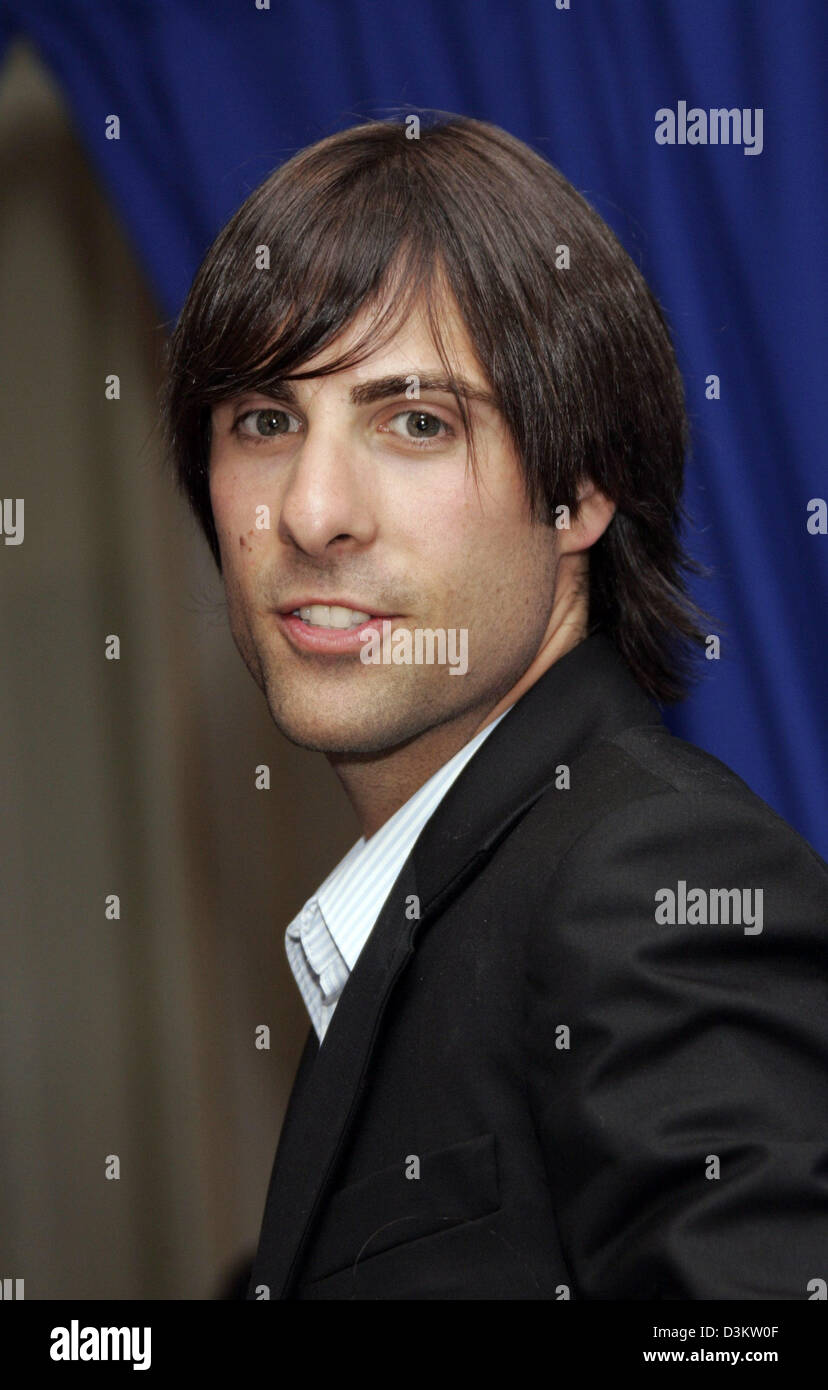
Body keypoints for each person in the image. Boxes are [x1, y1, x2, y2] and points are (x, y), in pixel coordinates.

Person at [162, 114, 828, 1300]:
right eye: (265, 421)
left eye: (415, 421)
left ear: (579, 490)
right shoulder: (448, 910)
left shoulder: (648, 873)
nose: (312, 512)